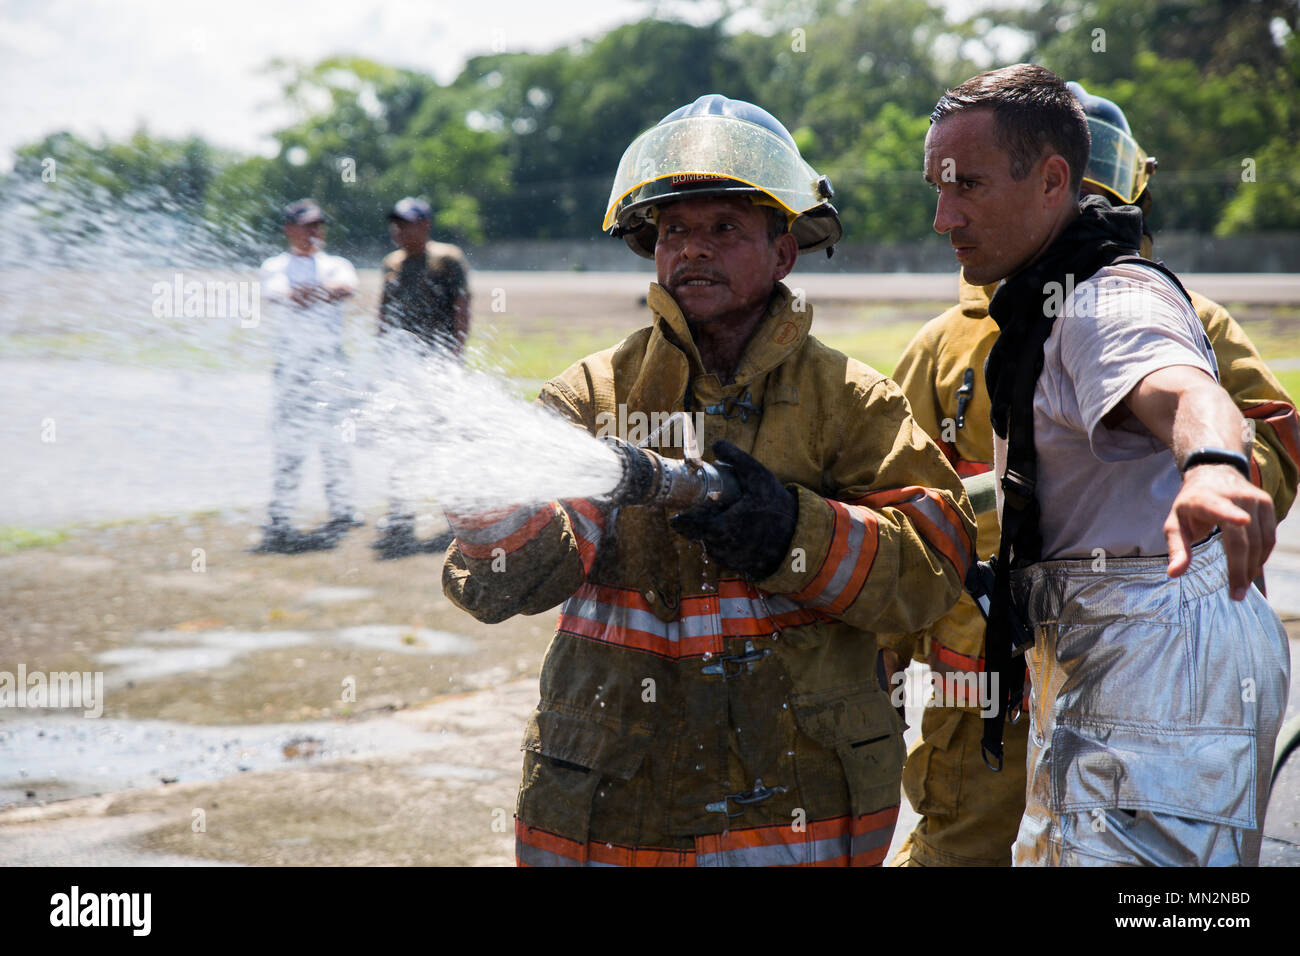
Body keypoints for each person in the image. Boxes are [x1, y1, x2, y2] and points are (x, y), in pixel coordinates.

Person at [441, 94, 976, 866]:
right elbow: (502, 588)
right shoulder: (595, 399)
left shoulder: (851, 402)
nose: (693, 249)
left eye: (723, 228)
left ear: (784, 251)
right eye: (674, 230)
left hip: (797, 810)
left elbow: (931, 569)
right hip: (619, 811)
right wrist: (489, 515)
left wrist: (790, 532)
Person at [886, 81, 1300, 867]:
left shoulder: (1103, 300)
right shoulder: (1031, 308)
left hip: (1147, 665)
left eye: (968, 186)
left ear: (1052, 182)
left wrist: (1213, 464)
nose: (943, 219)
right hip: (1087, 658)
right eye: (938, 189)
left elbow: (1182, 387)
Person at [253, 199, 361, 554]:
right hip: (293, 369)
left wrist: (309, 295)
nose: (315, 232)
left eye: (319, 225)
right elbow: (281, 295)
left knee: (336, 441)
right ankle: (281, 515)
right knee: (290, 444)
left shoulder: (336, 263)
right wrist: (319, 294)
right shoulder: (275, 265)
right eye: (307, 226)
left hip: (331, 366)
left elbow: (346, 288)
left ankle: (343, 508)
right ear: (289, 229)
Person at [372, 196, 472, 559]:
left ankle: (455, 514)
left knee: (443, 440)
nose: (398, 229)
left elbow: (461, 308)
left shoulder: (447, 260)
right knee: (401, 440)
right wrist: (381, 355)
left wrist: (454, 359)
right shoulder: (391, 263)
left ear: (426, 225)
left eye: (407, 223)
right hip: (401, 368)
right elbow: (384, 311)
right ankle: (400, 514)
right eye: (395, 223)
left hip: (436, 367)